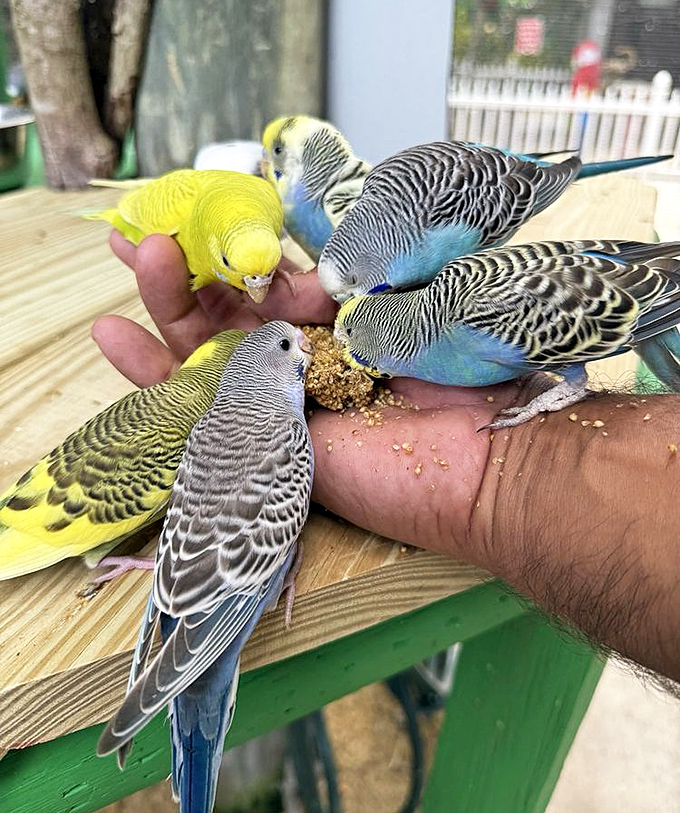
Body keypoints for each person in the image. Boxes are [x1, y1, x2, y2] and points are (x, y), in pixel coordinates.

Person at [93, 233, 680, 687]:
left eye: (357, 348)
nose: (342, 359)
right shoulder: (441, 315)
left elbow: (584, 312)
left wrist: (538, 434)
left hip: (639, 300)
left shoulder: (486, 329)